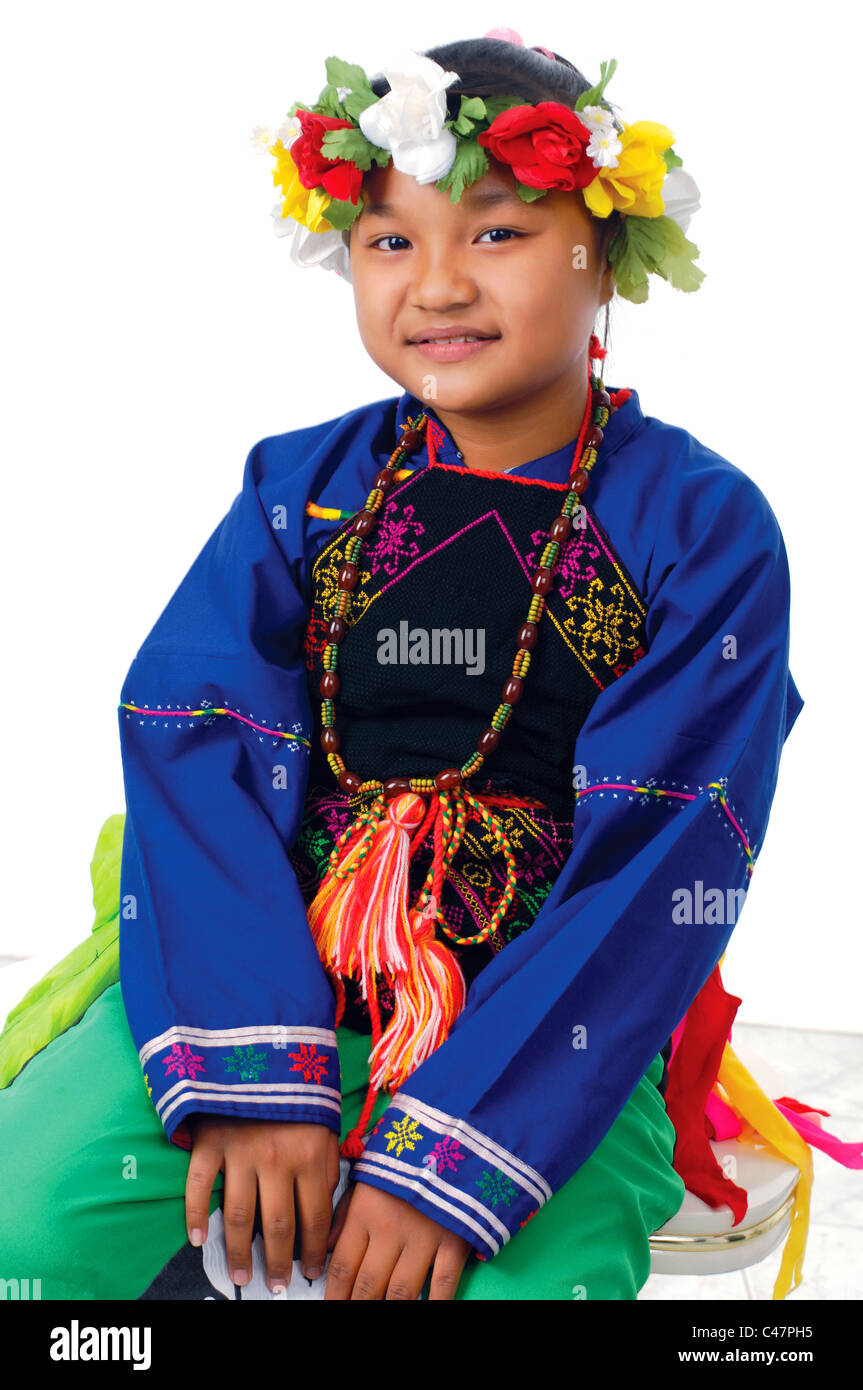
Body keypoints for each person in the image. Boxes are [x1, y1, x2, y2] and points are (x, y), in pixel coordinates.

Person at [0, 30, 822, 1303]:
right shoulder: (298, 487)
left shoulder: (696, 527)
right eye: (389, 241)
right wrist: (253, 1083)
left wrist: (449, 1162)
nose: (434, 285)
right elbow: (189, 730)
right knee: (30, 1239)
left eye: (494, 233)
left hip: (542, 1020)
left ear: (601, 252)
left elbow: (668, 843)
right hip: (269, 964)